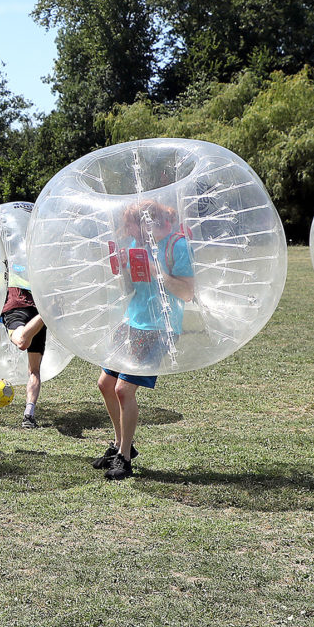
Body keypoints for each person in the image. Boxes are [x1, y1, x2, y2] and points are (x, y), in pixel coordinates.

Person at [96, 200, 194, 481]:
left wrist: (155, 272)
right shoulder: (136, 246)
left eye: (132, 227)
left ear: (147, 223)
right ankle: (119, 444)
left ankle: (124, 458)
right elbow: (129, 290)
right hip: (132, 321)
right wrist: (123, 270)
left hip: (158, 327)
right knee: (105, 384)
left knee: (124, 390)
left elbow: (187, 293)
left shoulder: (178, 246)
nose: (129, 234)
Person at [3, 263, 50, 430]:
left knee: (22, 342)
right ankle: (28, 415)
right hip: (37, 309)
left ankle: (47, 313)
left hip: (16, 306)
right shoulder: (30, 263)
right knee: (34, 370)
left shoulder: (5, 263)